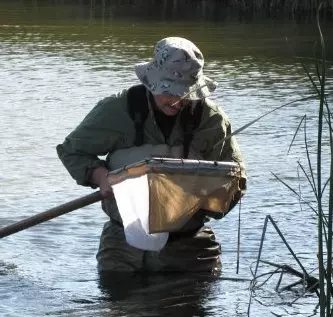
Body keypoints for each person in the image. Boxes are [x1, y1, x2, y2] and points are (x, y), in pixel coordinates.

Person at [56, 37, 246, 274]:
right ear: (153, 81)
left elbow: (237, 178)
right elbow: (72, 150)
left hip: (189, 247)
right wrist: (101, 176)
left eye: (185, 94)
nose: (177, 101)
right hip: (122, 245)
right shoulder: (117, 110)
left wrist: (207, 196)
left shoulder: (211, 119)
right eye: (169, 91)